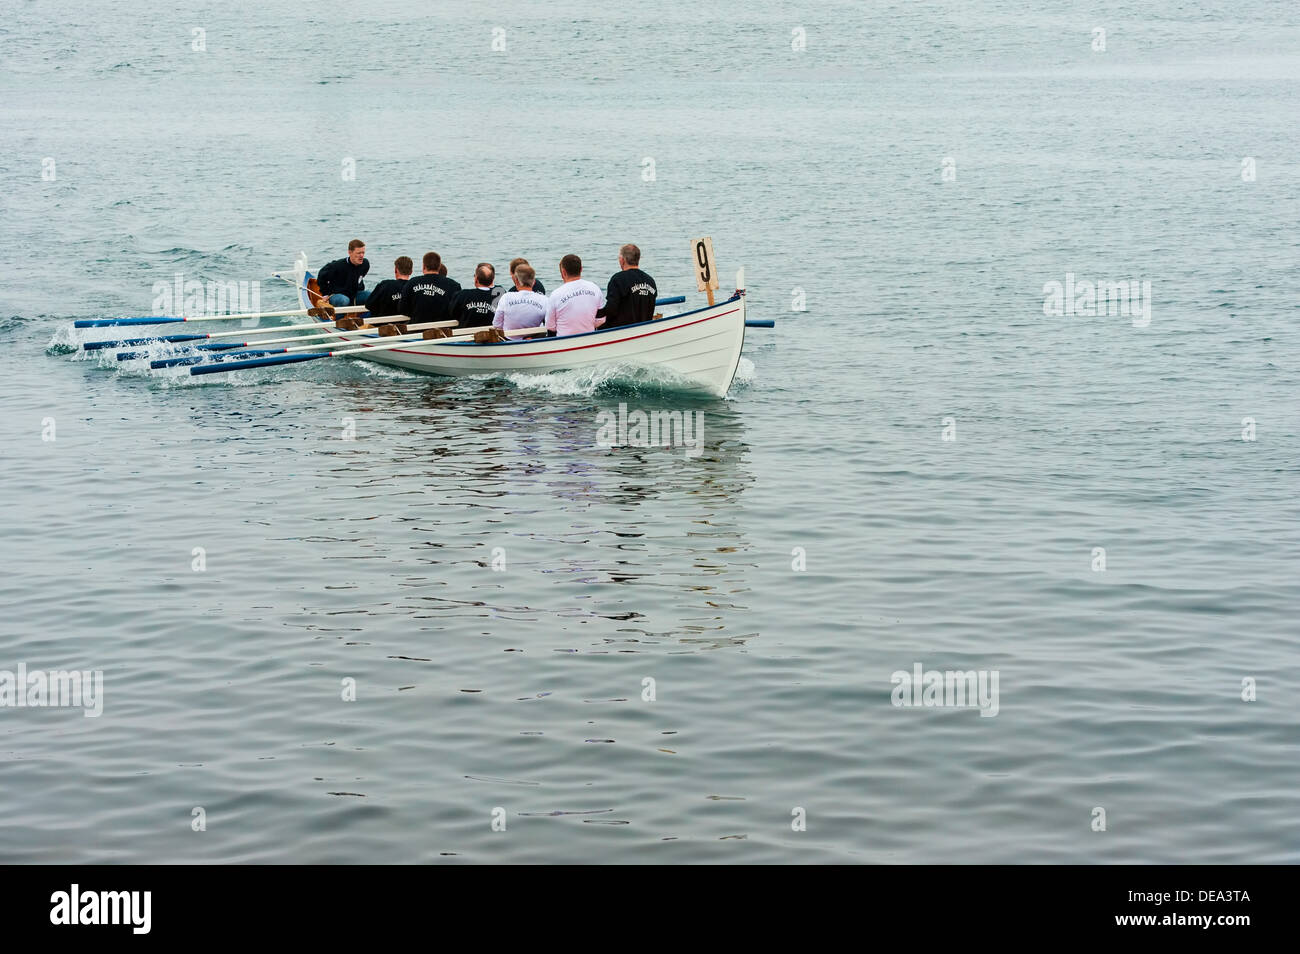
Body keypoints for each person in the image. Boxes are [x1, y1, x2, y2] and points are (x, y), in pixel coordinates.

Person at [597, 243, 658, 328]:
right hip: (644, 328)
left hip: (621, 330)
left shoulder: (618, 279)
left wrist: (594, 314)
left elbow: (611, 309)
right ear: (638, 259)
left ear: (622, 260)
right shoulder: (650, 281)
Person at [545, 255, 605, 336]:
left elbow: (550, 326)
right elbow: (601, 320)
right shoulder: (595, 288)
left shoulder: (556, 294)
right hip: (589, 339)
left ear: (563, 272)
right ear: (581, 269)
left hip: (564, 342)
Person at [402, 252, 462, 325]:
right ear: (439, 266)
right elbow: (457, 311)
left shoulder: (412, 283)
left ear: (424, 266)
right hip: (444, 330)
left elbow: (403, 308)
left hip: (417, 328)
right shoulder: (454, 286)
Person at [492, 264, 548, 338]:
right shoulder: (544, 300)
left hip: (509, 341)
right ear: (534, 282)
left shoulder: (506, 297)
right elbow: (549, 325)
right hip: (533, 341)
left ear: (516, 281)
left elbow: (497, 325)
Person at [316, 240, 371, 307]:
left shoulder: (365, 264)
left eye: (363, 253)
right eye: (358, 253)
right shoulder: (337, 266)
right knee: (344, 300)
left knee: (371, 296)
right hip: (338, 296)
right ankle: (337, 316)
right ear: (350, 252)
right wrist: (325, 294)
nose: (361, 255)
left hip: (354, 295)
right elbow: (321, 276)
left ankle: (365, 316)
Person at [448, 263, 498, 328]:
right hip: (493, 335)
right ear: (492, 279)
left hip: (466, 335)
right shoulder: (499, 296)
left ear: (476, 279)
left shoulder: (463, 295)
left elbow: (452, 313)